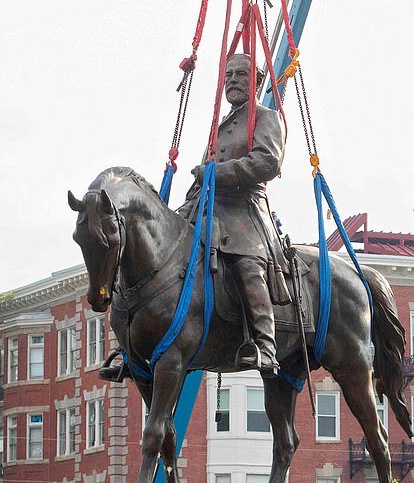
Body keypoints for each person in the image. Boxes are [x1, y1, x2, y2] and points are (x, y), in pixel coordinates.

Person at [98, 53, 289, 382]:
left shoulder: (267, 117)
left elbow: (267, 163)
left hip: (243, 210)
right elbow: (203, 176)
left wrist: (218, 172)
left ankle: (264, 342)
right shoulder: (224, 124)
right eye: (227, 74)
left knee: (245, 263)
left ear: (257, 82)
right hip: (205, 205)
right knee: (158, 251)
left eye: (240, 74)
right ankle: (134, 345)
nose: (231, 80)